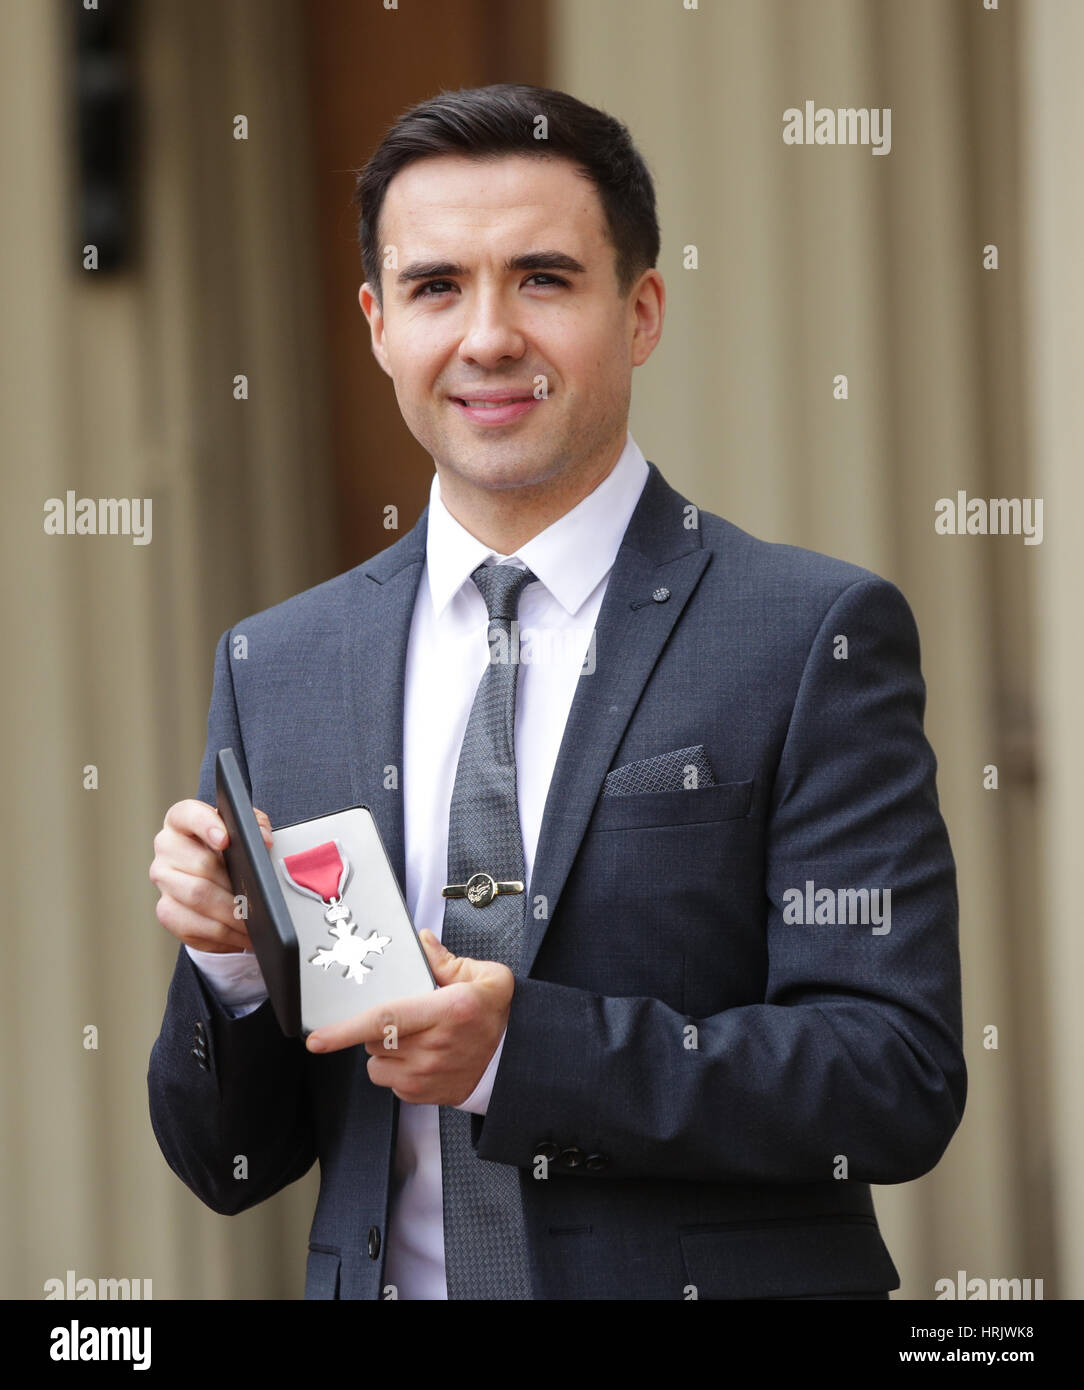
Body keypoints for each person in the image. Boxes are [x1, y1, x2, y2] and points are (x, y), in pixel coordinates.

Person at [147, 83, 966, 1300]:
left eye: (541, 278)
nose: (485, 337)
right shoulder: (278, 664)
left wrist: (519, 1054)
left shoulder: (809, 636)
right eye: (435, 287)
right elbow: (232, 1162)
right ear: (376, 324)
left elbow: (890, 1080)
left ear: (639, 311)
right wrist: (229, 967)